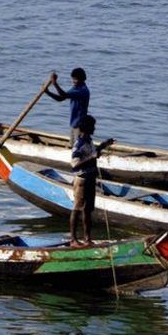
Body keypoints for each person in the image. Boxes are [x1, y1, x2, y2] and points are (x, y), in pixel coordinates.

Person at [69, 114, 114, 247]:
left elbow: (93, 153)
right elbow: (74, 164)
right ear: (87, 128)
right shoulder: (79, 143)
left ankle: (87, 239)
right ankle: (73, 240)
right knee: (77, 209)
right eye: (93, 126)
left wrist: (104, 145)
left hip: (90, 179)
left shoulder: (89, 140)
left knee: (87, 210)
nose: (94, 128)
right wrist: (92, 157)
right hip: (82, 180)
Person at [45, 67, 90, 144]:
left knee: (77, 148)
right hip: (73, 123)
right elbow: (60, 98)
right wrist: (47, 92)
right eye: (73, 79)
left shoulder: (83, 90)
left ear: (83, 79)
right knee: (73, 146)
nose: (74, 81)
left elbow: (64, 94)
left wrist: (55, 83)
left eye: (76, 79)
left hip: (80, 125)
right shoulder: (75, 88)